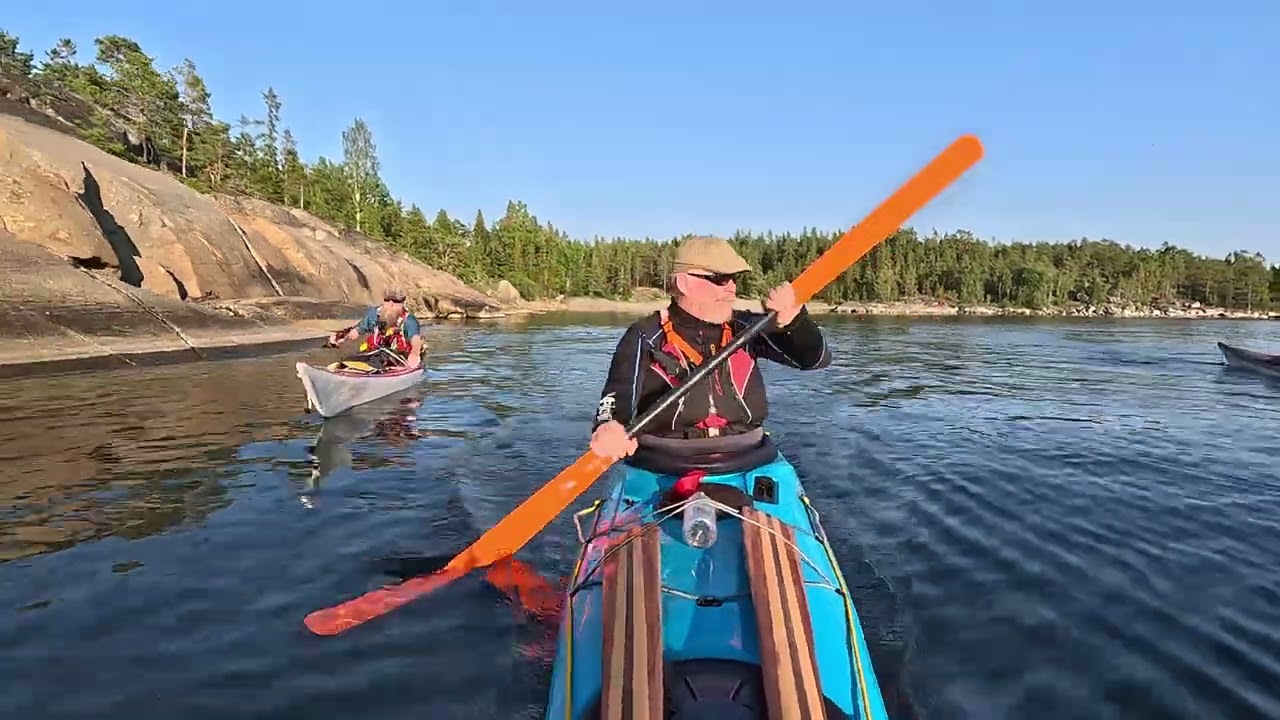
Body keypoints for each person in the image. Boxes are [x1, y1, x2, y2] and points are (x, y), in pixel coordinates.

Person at [587, 235, 831, 466]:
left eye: (734, 278)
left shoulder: (748, 327)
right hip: (664, 462)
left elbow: (815, 360)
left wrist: (795, 323)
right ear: (683, 283)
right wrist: (608, 425)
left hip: (750, 457)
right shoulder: (644, 335)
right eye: (720, 278)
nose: (731, 288)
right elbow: (615, 396)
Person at [328, 286, 425, 370]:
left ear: (403, 303)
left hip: (397, 356)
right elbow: (357, 330)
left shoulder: (409, 320)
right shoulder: (374, 314)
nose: (390, 304)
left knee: (379, 359)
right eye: (387, 300)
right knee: (351, 358)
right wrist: (342, 339)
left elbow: (415, 339)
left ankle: (372, 370)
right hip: (374, 352)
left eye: (396, 301)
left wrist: (415, 354)